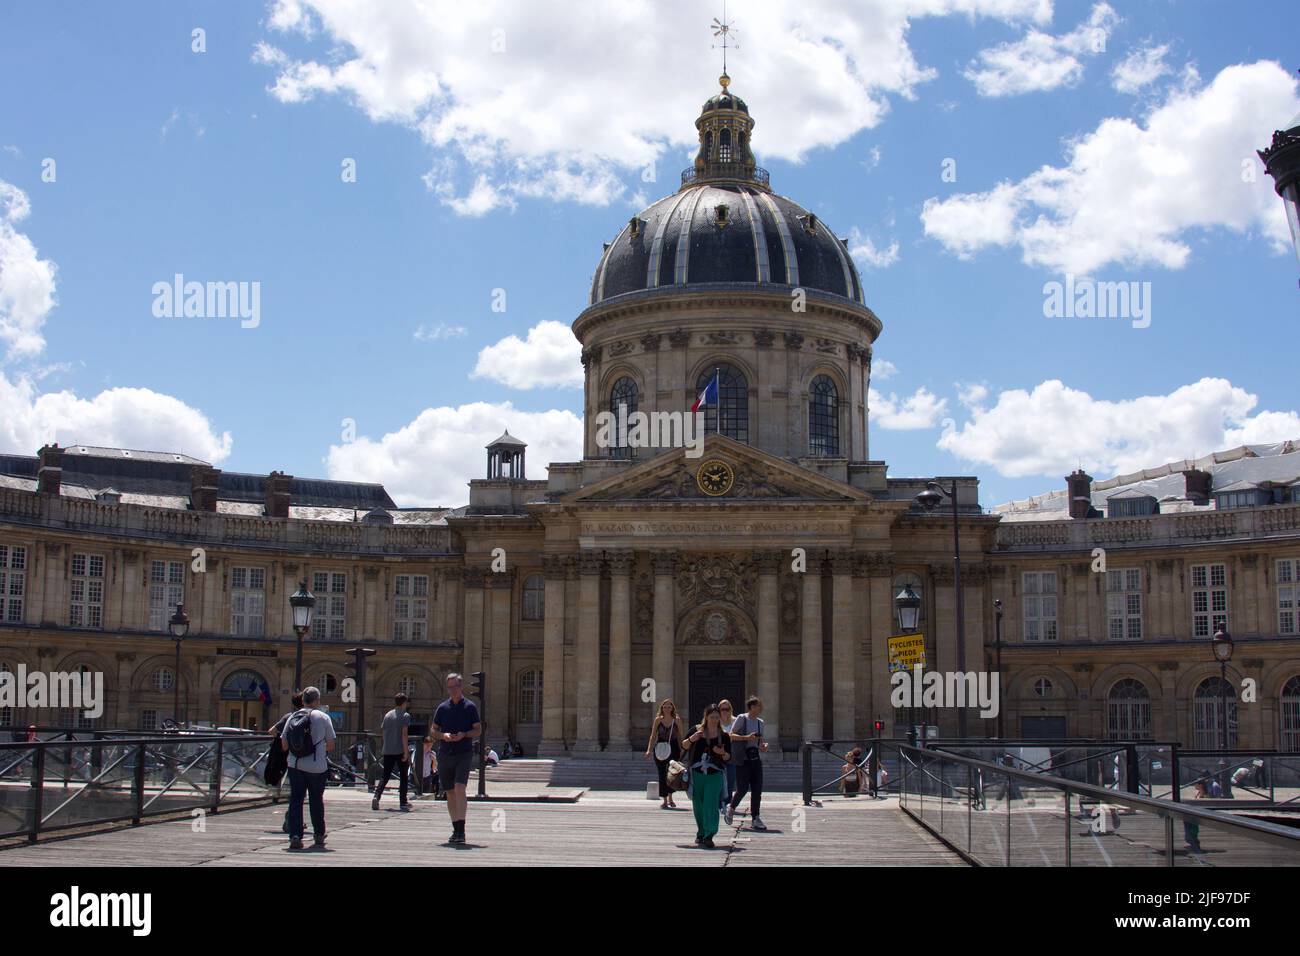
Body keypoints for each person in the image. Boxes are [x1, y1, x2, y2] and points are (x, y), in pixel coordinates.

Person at [280, 686, 337, 850]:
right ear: (317, 701)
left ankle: (295, 835)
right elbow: (331, 745)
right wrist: (318, 749)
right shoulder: (323, 717)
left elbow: (284, 745)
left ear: (303, 700)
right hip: (317, 766)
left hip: (295, 764)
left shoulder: (292, 717)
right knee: (316, 799)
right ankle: (318, 834)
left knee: (296, 800)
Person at [432, 672, 481, 845]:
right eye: (450, 687)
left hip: (463, 752)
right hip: (445, 752)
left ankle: (462, 829)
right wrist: (443, 735)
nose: (452, 690)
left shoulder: (470, 707)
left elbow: (478, 730)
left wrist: (464, 734)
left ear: (461, 687)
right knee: (450, 792)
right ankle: (455, 828)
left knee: (460, 787)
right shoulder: (442, 707)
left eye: (455, 687)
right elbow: (433, 730)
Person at [683, 703, 732, 847]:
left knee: (710, 804)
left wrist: (722, 753)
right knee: (698, 805)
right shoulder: (696, 731)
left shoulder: (724, 736)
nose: (714, 720)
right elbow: (684, 746)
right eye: (712, 717)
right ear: (706, 717)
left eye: (717, 717)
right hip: (697, 774)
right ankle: (701, 832)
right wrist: (693, 738)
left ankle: (709, 834)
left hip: (715, 774)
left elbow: (729, 757)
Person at [725, 696, 768, 830]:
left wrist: (763, 746)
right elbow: (731, 735)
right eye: (758, 706)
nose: (761, 708)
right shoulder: (742, 718)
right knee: (742, 788)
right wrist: (746, 738)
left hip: (755, 758)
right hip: (742, 759)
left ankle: (755, 817)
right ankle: (731, 809)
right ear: (752, 707)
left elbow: (760, 741)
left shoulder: (760, 722)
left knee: (757, 789)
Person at [373, 692, 412, 811]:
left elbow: (384, 733)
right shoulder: (405, 715)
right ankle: (403, 802)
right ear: (404, 703)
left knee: (385, 776)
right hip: (399, 750)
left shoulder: (387, 715)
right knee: (404, 777)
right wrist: (406, 752)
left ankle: (376, 796)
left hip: (388, 750)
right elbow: (404, 734)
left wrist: (385, 746)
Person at [644, 699, 685, 810]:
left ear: (673, 708)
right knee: (662, 774)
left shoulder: (677, 720)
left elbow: (681, 736)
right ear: (661, 708)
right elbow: (653, 736)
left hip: (674, 749)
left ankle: (671, 797)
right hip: (660, 749)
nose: (667, 709)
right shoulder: (658, 720)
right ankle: (665, 800)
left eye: (669, 707)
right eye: (665, 707)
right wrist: (649, 750)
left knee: (671, 774)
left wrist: (683, 748)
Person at [717, 700, 737, 813]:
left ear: (731, 710)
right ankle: (720, 803)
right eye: (722, 709)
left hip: (732, 756)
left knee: (730, 779)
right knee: (719, 780)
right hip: (718, 756)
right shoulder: (716, 721)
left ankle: (728, 801)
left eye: (727, 709)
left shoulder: (736, 721)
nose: (725, 712)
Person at [1183, 779, 1207, 853]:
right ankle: (1192, 843)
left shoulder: (1204, 793)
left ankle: (1195, 845)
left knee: (1192, 830)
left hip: (1199, 813)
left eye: (1195, 784)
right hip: (1194, 812)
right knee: (1189, 826)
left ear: (1200, 785)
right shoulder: (1198, 792)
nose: (1194, 786)